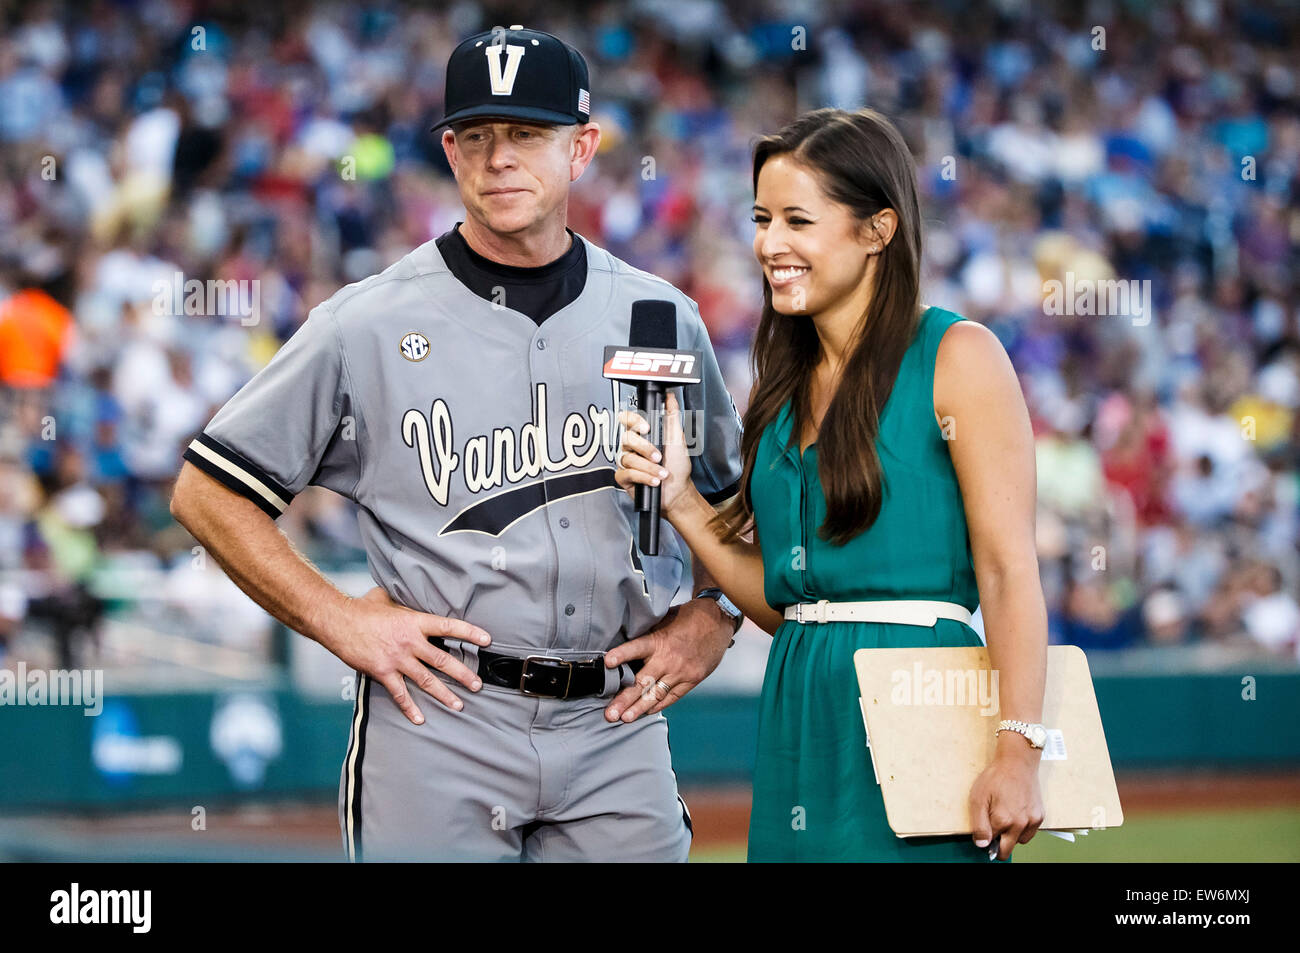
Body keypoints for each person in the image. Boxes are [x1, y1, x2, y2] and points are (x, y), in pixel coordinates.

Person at [170, 26, 746, 862]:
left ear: (582, 148)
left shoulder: (660, 316)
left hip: (613, 720)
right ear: (449, 148)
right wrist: (338, 620)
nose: (499, 159)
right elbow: (207, 491)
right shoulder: (365, 321)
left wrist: (715, 613)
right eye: (476, 136)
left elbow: (733, 508)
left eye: (526, 135)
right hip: (442, 717)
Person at [615, 108, 1049, 862]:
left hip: (924, 703)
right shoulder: (779, 388)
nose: (769, 245)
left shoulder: (959, 355)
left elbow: (1010, 571)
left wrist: (1019, 752)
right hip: (799, 706)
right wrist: (681, 499)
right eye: (760, 219)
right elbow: (790, 605)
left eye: (796, 220)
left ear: (877, 229)